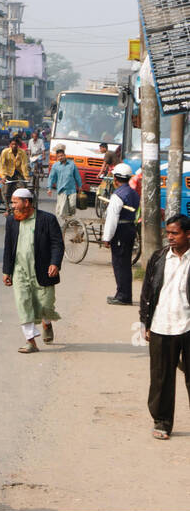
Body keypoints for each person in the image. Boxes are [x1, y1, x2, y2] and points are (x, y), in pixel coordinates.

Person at [140, 214, 190, 440]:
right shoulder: (159, 258)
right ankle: (162, 421)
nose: (169, 237)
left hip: (187, 326)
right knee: (161, 377)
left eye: (175, 233)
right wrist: (146, 322)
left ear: (188, 234)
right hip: (162, 325)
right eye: (167, 232)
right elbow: (147, 292)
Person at [1, 188, 64, 353]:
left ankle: (46, 322)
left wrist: (55, 263)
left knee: (45, 305)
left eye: (15, 202)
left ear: (26, 202)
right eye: (12, 202)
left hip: (42, 270)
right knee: (23, 303)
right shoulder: (12, 221)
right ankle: (31, 342)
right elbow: (8, 246)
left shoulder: (47, 220)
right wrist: (6, 271)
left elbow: (57, 244)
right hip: (19, 270)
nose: (12, 205)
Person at [101, 162, 140, 306]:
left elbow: (112, 219)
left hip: (120, 231)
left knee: (119, 264)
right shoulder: (134, 193)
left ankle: (123, 296)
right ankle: (123, 294)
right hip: (130, 229)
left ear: (116, 179)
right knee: (125, 264)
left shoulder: (118, 195)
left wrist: (107, 238)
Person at [46, 146, 83, 220]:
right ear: (57, 157)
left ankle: (70, 218)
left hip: (72, 189)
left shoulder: (72, 164)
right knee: (63, 208)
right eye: (58, 156)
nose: (60, 157)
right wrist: (49, 188)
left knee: (72, 206)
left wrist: (80, 186)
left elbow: (77, 176)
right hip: (62, 190)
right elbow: (51, 178)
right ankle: (67, 221)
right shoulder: (55, 166)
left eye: (62, 155)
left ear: (65, 155)